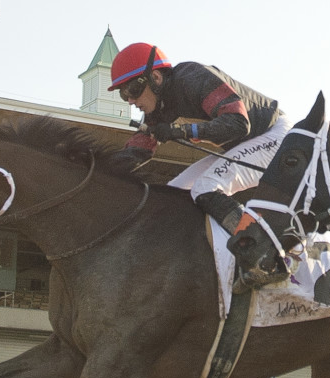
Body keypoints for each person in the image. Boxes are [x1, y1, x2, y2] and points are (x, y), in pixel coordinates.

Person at [108, 42, 291, 290]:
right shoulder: (158, 106)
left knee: (205, 186)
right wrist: (93, 166)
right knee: (173, 193)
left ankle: (264, 259)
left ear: (155, 77)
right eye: (123, 94)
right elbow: (138, 151)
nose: (130, 100)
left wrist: (181, 131)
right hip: (245, 144)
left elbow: (238, 124)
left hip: (275, 137)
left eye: (133, 89)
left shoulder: (192, 78)